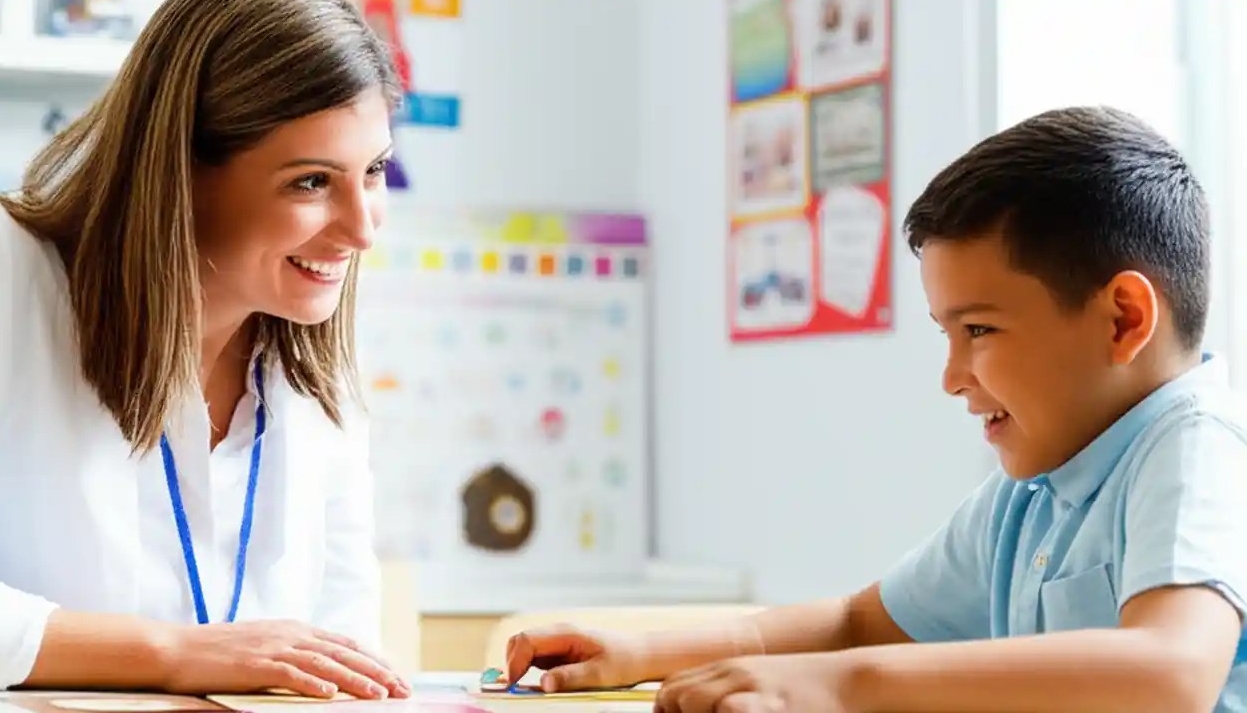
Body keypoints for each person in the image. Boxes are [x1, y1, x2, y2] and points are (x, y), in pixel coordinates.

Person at [505, 107, 1247, 712]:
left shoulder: (1197, 450)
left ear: (1122, 320)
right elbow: (858, 622)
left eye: (978, 331)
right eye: (946, 335)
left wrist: (844, 686)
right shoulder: (1033, 494)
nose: (951, 378)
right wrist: (642, 653)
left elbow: (1171, 673)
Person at [0, 0, 408, 700]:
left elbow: (347, 662)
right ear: (182, 172)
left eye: (375, 171)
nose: (362, 230)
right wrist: (173, 654)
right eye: (312, 182)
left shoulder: (315, 377)